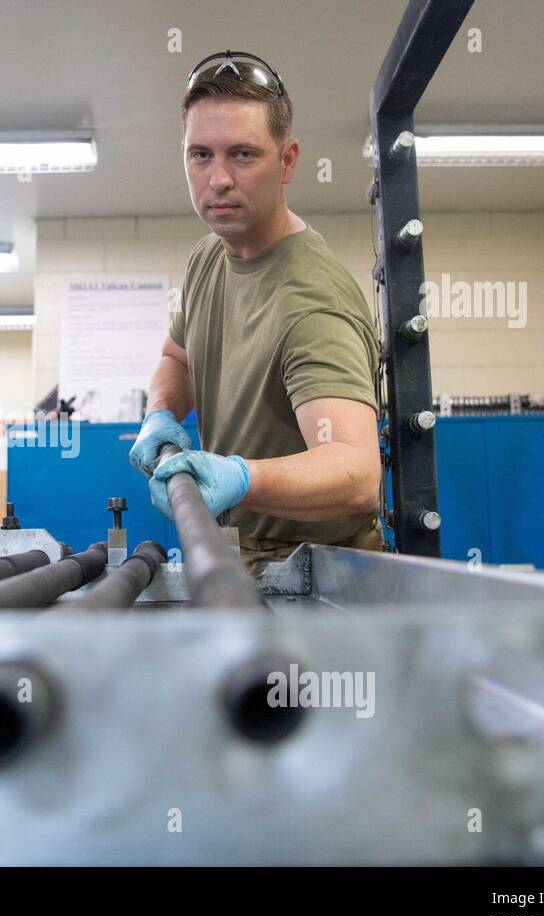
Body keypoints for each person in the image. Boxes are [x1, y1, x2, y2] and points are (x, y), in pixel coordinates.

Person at [129, 51, 384, 576]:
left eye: (242, 155)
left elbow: (357, 474)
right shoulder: (208, 257)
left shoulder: (314, 301)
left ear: (287, 161)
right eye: (200, 155)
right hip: (238, 559)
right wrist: (160, 411)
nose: (218, 179)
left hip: (318, 572)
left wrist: (242, 479)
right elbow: (177, 356)